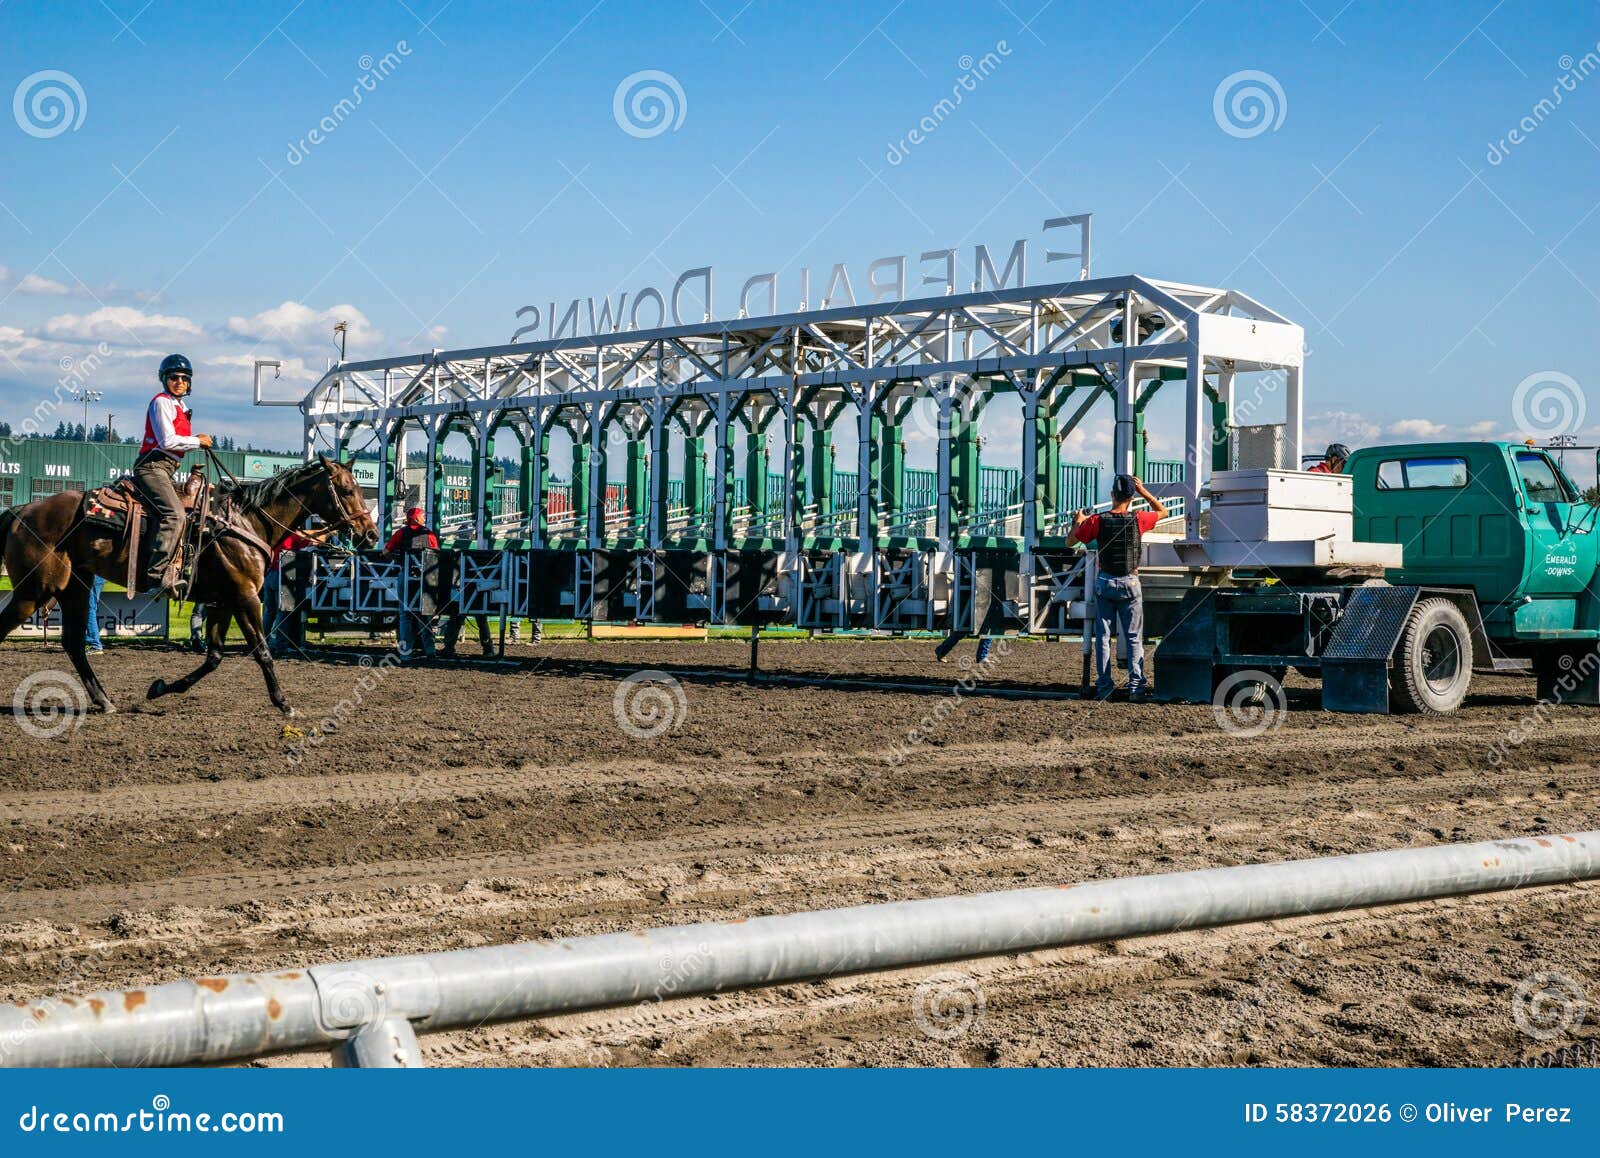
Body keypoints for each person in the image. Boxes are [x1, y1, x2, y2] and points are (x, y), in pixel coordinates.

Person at [1072, 474, 1168, 701]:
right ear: (1131, 497)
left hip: (1105, 581)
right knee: (1134, 637)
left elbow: (1077, 537)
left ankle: (1104, 687)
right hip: (1131, 582)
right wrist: (1143, 491)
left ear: (1112, 495)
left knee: (1103, 637)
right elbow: (1163, 511)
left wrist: (1079, 519)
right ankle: (1136, 688)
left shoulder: (1097, 520)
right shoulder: (1139, 519)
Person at [136, 354, 215, 595]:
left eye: (184, 378)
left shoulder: (180, 406)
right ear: (164, 379)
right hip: (152, 467)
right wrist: (197, 441)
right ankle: (156, 576)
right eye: (173, 377)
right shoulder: (161, 402)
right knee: (175, 515)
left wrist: (195, 440)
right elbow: (167, 440)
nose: (179, 381)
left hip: (167, 469)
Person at [263, 521, 337, 657]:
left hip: (270, 575)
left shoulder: (278, 535)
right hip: (284, 574)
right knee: (283, 611)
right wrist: (329, 533)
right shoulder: (292, 536)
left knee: (269, 612)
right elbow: (311, 542)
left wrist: (326, 531)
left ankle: (262, 643)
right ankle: (281, 645)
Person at [383, 506, 438, 659]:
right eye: (422, 516)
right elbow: (435, 555)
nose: (424, 518)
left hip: (406, 576)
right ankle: (430, 650)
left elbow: (385, 552)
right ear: (416, 518)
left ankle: (405, 653)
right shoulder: (429, 534)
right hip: (425, 579)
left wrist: (397, 558)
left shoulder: (401, 533)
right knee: (424, 614)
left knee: (405, 615)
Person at [84, 575, 106, 653]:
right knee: (91, 608)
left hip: (92, 576)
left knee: (89, 609)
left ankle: (94, 644)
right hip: (98, 575)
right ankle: (93, 643)